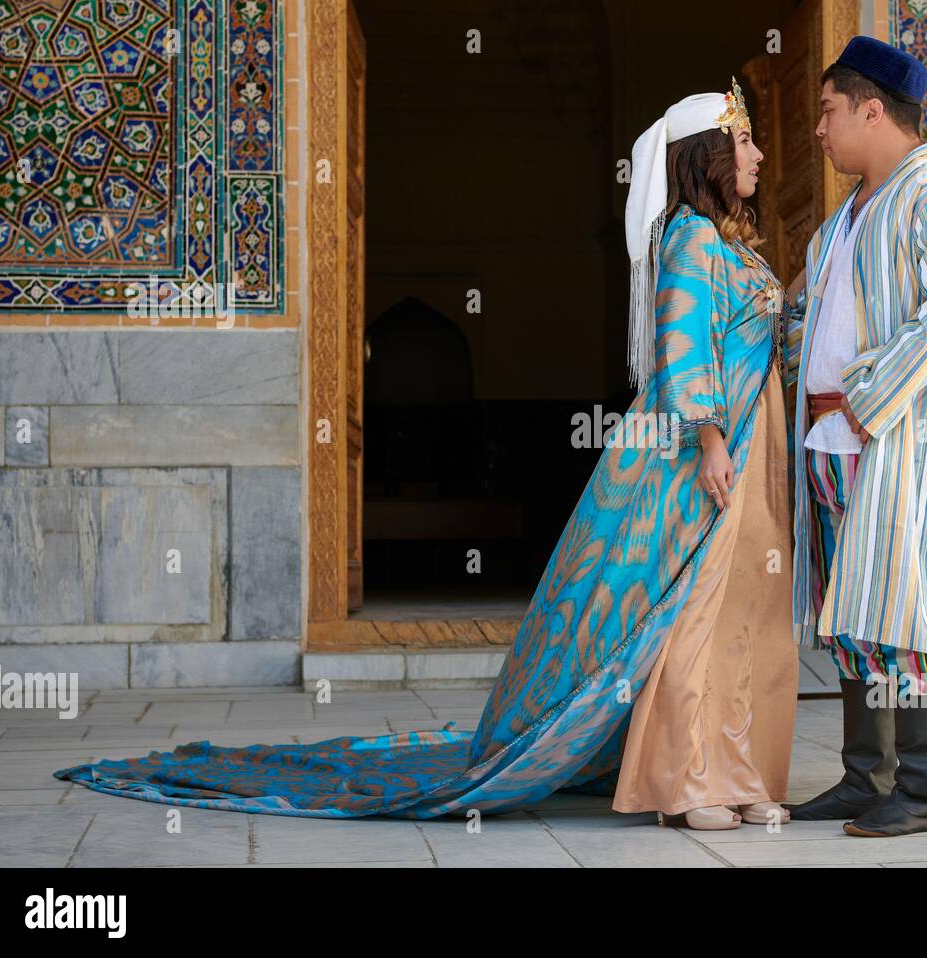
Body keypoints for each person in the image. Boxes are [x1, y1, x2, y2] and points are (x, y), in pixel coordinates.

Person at [55, 79, 798, 832]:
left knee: (745, 609)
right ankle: (692, 779)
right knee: (692, 613)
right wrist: (707, 439)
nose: (760, 155)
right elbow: (681, 349)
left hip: (750, 444)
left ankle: (740, 773)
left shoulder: (732, 244)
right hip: (701, 454)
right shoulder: (690, 240)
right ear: (704, 155)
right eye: (743, 141)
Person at [779, 37, 927, 837]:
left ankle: (920, 789)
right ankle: (862, 775)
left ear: (873, 110)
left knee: (909, 610)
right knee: (852, 614)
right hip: (831, 447)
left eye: (830, 110)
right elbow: (815, 318)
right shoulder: (843, 219)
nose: (819, 129)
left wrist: (866, 401)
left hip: (896, 445)